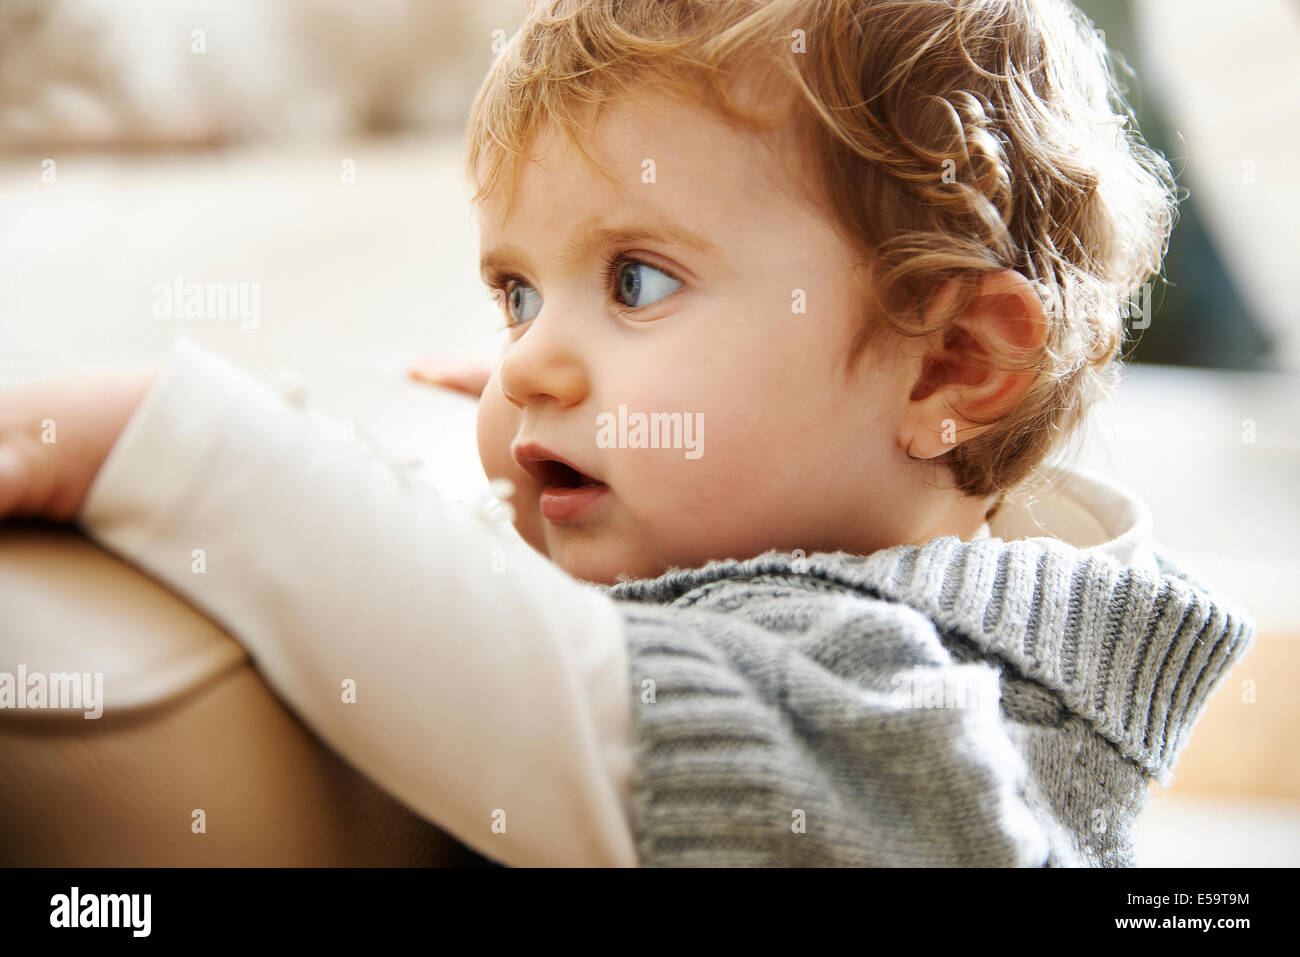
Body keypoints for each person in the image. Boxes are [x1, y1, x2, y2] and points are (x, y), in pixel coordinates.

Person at [0, 0, 1255, 866]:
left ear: (951, 364)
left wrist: (174, 442)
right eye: (516, 294)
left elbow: (565, 712)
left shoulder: (930, 735)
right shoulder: (791, 548)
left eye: (638, 282)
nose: (529, 359)